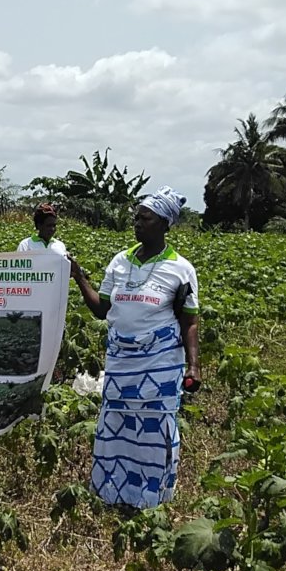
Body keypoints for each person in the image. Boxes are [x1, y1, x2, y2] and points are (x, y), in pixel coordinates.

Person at [69, 186, 200, 509]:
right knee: (116, 423)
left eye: (146, 218)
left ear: (165, 224)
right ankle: (111, 492)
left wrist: (194, 366)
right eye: (137, 217)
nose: (137, 223)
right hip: (121, 360)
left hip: (159, 363)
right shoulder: (120, 262)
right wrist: (80, 277)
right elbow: (102, 310)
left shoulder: (180, 269)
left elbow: (189, 321)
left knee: (154, 429)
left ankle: (151, 498)